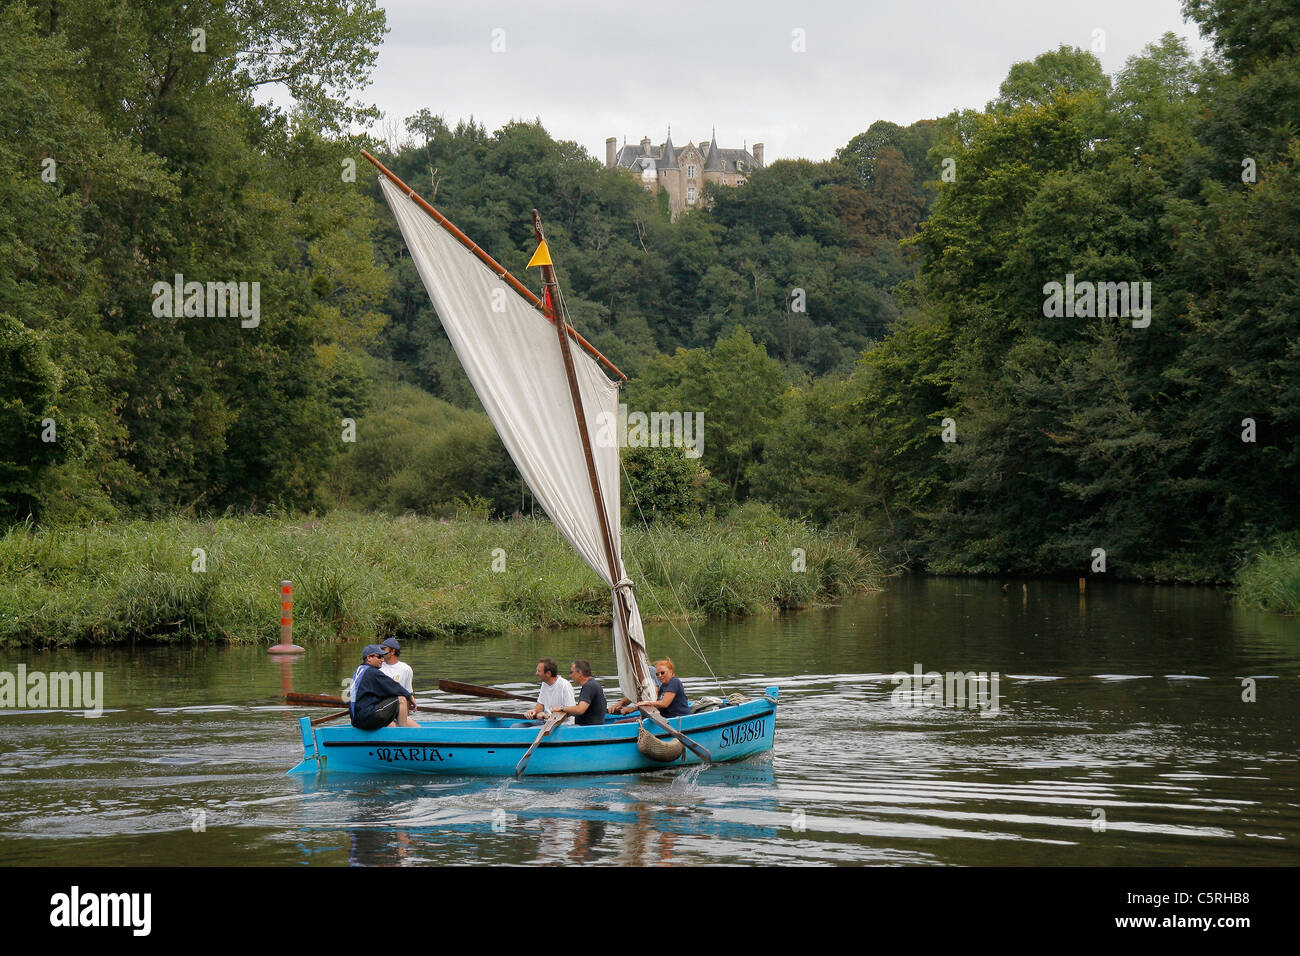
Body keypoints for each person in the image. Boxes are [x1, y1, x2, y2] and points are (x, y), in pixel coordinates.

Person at [349, 645, 419, 729]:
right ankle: (403, 734)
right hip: (365, 719)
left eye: (382, 656)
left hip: (356, 720)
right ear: (369, 658)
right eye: (379, 656)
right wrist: (410, 697)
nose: (382, 660)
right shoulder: (373, 673)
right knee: (401, 699)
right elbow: (394, 686)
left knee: (391, 724)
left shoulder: (359, 669)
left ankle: (406, 728)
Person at [613, 658, 689, 718]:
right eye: (657, 674)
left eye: (662, 673)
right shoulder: (663, 686)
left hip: (676, 719)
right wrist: (634, 709)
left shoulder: (674, 681)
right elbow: (657, 704)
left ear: (671, 671)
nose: (660, 676)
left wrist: (646, 702)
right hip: (665, 718)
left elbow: (664, 703)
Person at [549, 660, 607, 726]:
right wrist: (567, 712)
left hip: (587, 727)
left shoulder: (589, 686)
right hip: (591, 725)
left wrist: (561, 708)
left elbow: (580, 709)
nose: (570, 675)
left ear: (579, 673)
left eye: (571, 672)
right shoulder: (592, 684)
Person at [523, 657, 575, 725]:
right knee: (516, 726)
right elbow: (540, 705)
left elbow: (571, 711)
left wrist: (548, 716)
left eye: (539, 671)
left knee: (517, 729)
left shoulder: (565, 685)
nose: (536, 673)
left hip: (562, 724)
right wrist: (534, 711)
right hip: (546, 722)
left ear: (548, 673)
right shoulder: (544, 683)